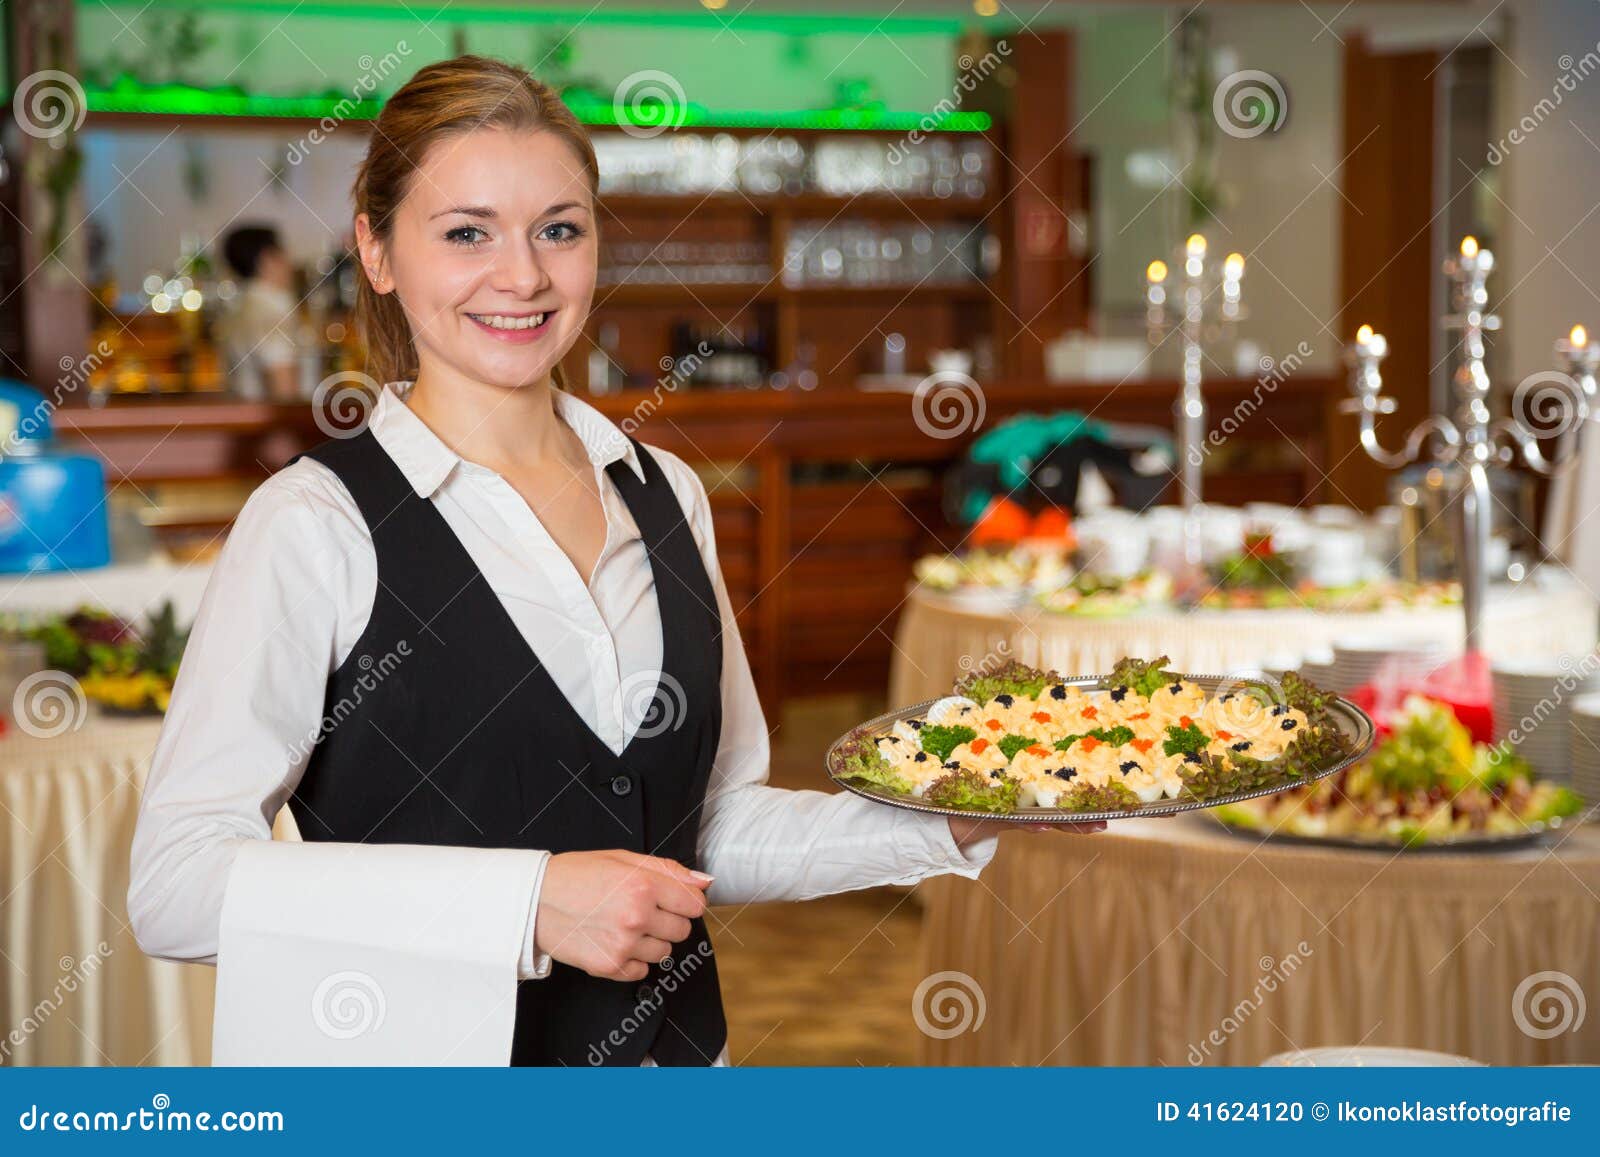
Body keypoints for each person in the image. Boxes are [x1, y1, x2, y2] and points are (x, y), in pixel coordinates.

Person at [128, 54, 1101, 1068]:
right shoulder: (313, 522)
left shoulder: (665, 491)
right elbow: (176, 885)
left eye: (560, 228)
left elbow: (707, 826)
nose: (524, 276)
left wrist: (964, 818)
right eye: (466, 232)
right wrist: (529, 903)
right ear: (375, 252)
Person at [217, 224, 301, 401]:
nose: (290, 262)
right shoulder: (271, 311)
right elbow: (285, 393)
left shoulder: (241, 308)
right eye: (283, 253)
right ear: (267, 259)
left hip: (247, 421)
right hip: (280, 424)